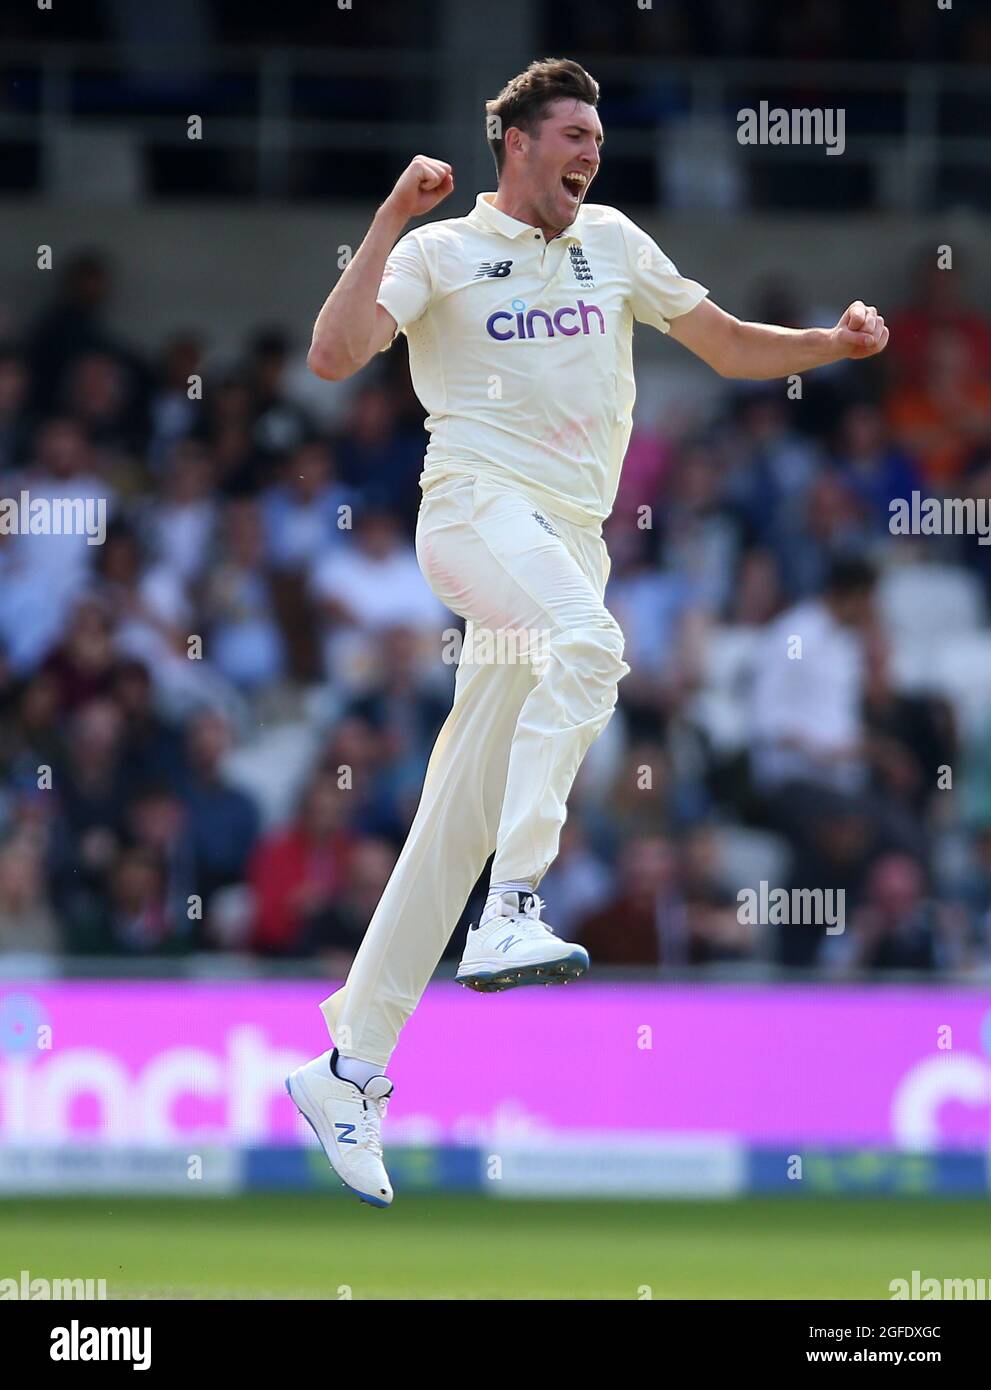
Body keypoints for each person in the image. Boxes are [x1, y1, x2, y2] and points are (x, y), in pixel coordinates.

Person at [286, 57, 890, 1207]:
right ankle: (515, 906)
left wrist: (832, 343)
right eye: (571, 135)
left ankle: (347, 1068)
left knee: (457, 814)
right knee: (593, 647)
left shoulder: (610, 240)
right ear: (516, 141)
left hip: (565, 541)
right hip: (474, 509)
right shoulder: (440, 251)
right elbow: (333, 353)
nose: (590, 154)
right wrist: (392, 213)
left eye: (597, 140)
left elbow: (726, 344)